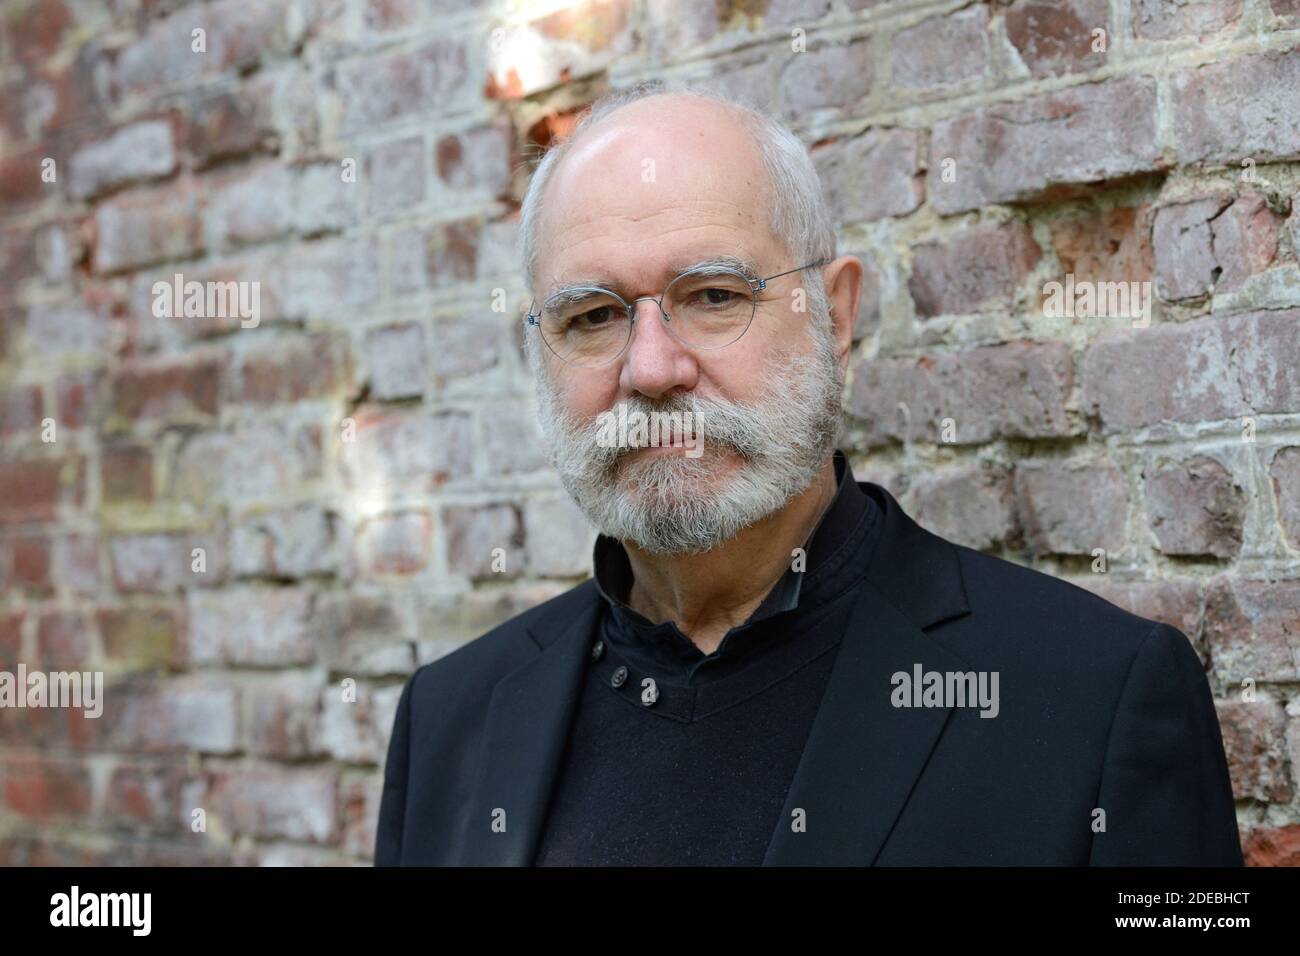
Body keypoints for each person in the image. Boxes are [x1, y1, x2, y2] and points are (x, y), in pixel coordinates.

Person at [374, 81, 1242, 866]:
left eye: (714, 295)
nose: (650, 368)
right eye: (593, 315)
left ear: (835, 315)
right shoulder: (451, 719)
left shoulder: (1093, 697)